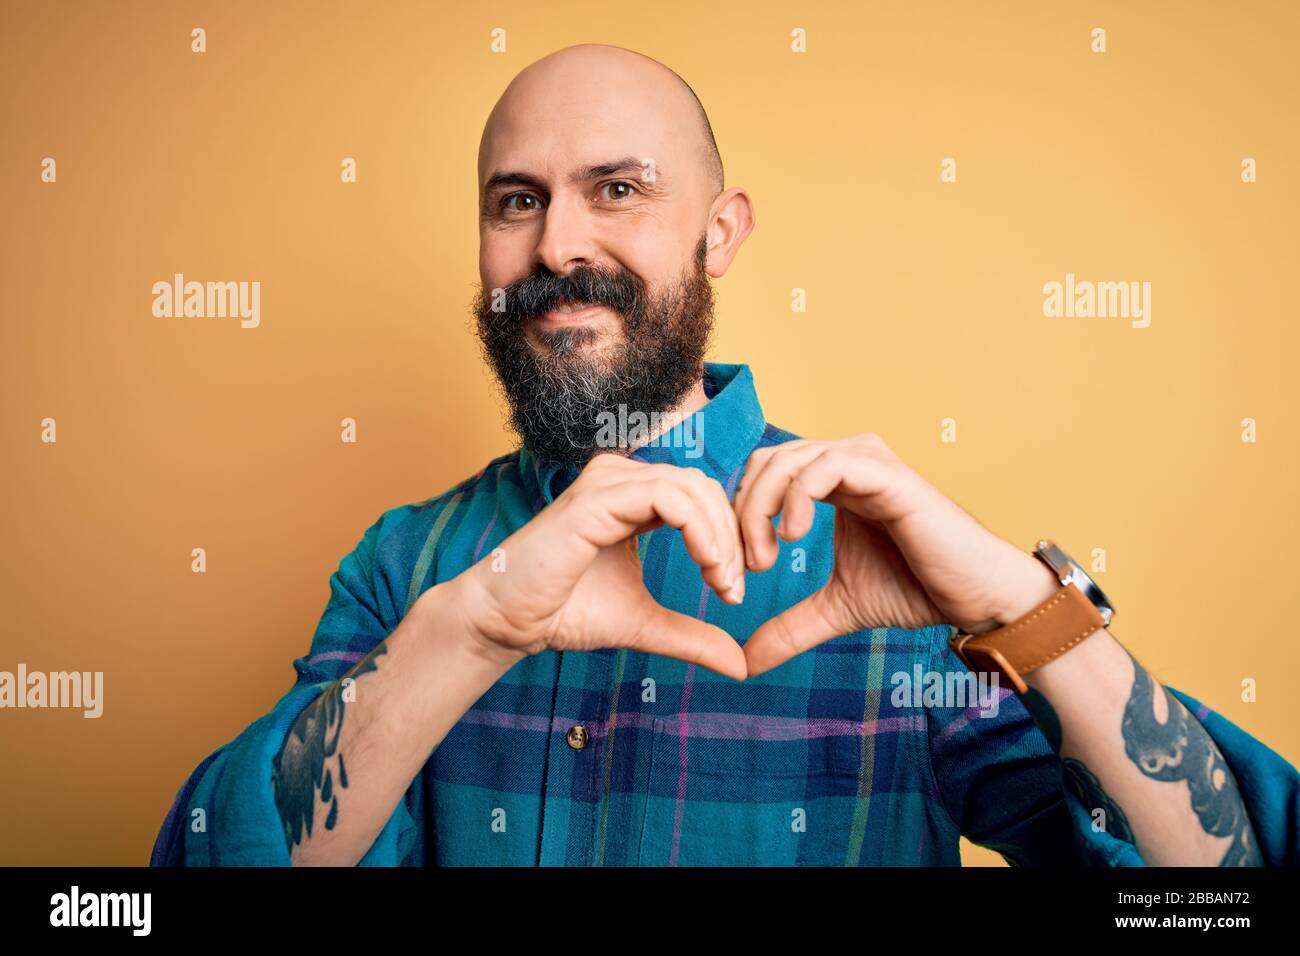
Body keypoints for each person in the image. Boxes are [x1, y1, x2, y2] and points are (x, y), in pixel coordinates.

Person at [152, 43, 1299, 867]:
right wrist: (473, 627)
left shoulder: (891, 571)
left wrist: (1021, 603)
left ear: (720, 230)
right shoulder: (406, 565)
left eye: (617, 189)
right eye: (516, 200)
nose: (557, 242)